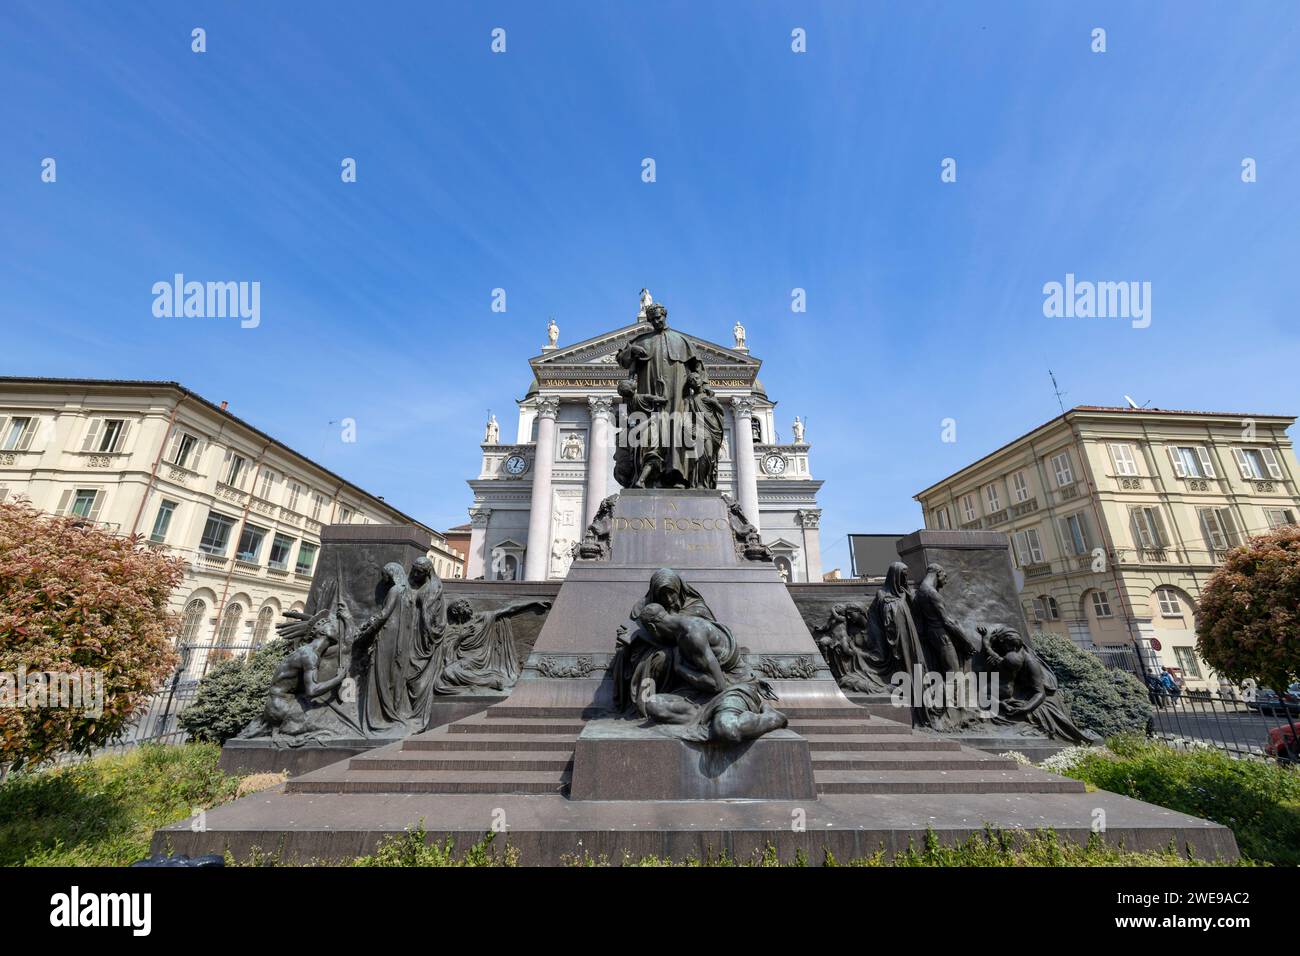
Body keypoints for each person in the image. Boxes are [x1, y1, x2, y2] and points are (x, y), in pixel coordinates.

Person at [614, 301, 713, 489]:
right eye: (653, 319)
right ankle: (652, 477)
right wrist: (631, 351)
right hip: (650, 394)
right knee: (651, 435)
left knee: (677, 431)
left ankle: (678, 477)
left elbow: (698, 367)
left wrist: (701, 383)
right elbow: (622, 359)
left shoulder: (681, 341)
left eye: (659, 318)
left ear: (665, 316)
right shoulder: (642, 341)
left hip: (678, 395)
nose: (656, 321)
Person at [431, 598, 550, 693]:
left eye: (466, 604)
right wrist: (462, 636)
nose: (466, 606)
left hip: (478, 658)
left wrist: (533, 603)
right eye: (462, 605)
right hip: (464, 660)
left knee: (449, 672)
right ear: (456, 612)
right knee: (447, 672)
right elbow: (447, 650)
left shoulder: (484, 617)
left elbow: (510, 609)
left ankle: (487, 681)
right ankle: (490, 682)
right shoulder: (456, 629)